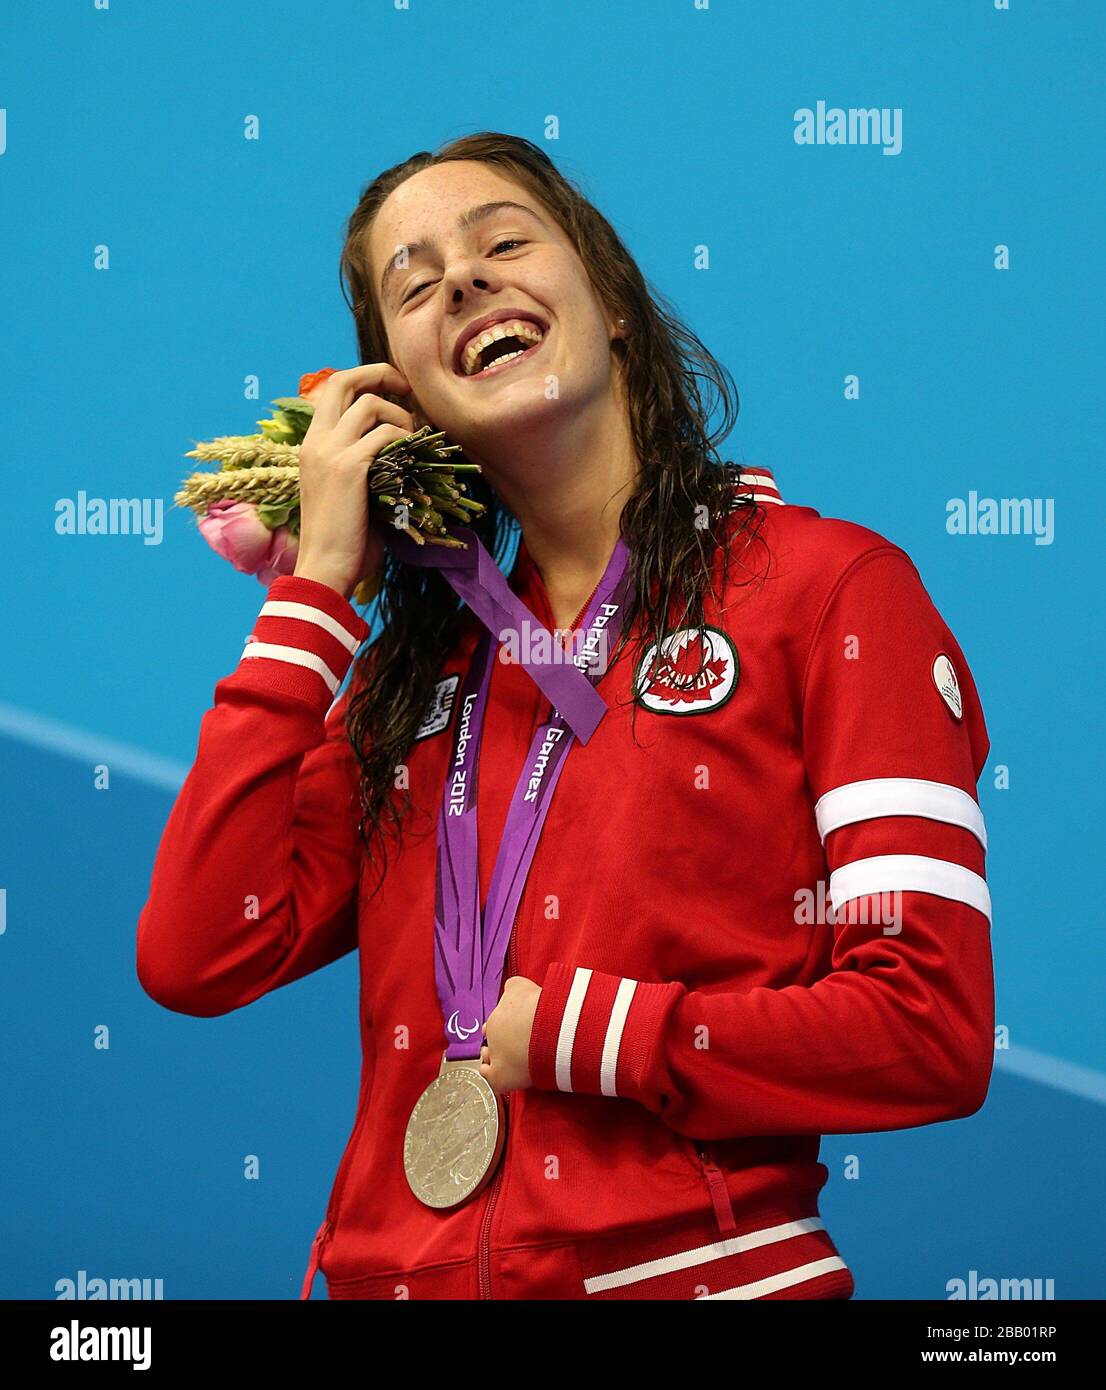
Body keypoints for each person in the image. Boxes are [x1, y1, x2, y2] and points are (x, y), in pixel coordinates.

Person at [136, 132, 994, 1300]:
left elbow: (926, 1029)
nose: (461, 280)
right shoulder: (413, 680)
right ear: (399, 396)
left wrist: (597, 1037)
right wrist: (316, 600)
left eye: (501, 240)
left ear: (614, 304)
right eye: (412, 279)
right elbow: (197, 951)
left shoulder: (828, 593)